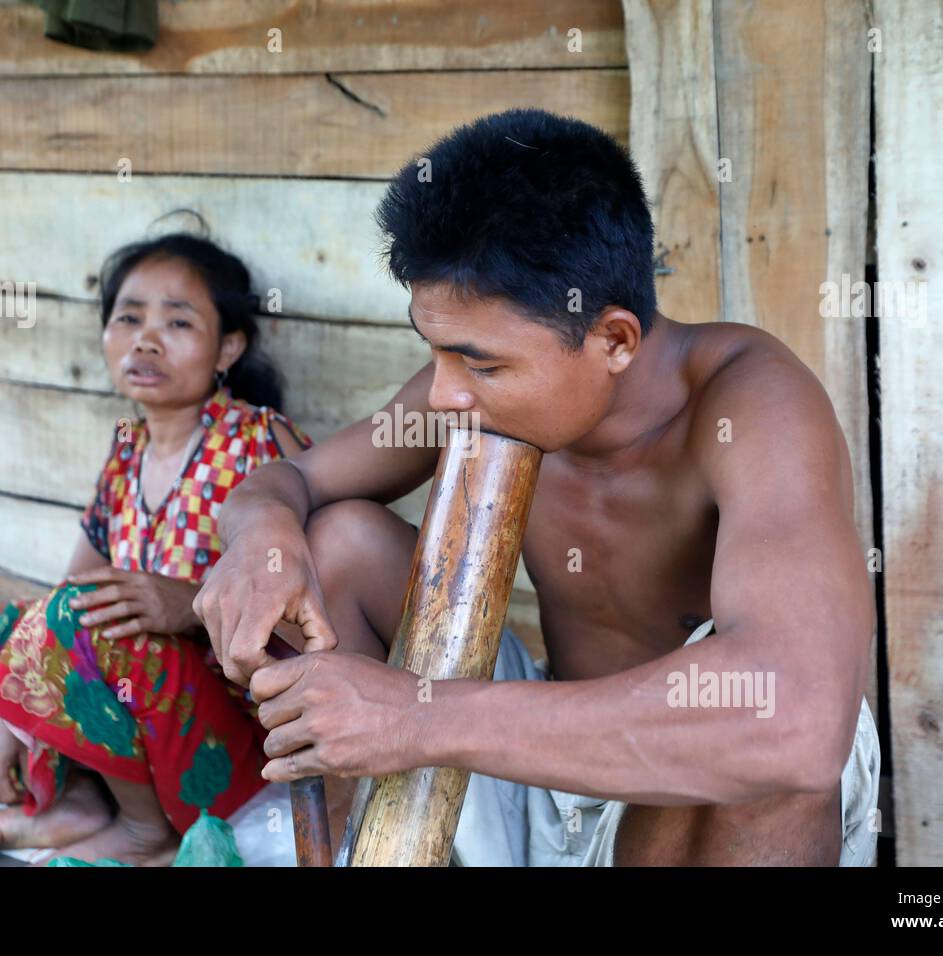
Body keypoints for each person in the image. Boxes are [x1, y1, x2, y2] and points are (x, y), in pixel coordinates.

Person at [192, 108, 881, 866]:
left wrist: (419, 721)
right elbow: (287, 481)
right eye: (436, 351)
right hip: (531, 763)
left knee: (762, 725)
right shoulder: (470, 387)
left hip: (681, 799)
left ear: (613, 339)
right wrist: (261, 540)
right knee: (340, 541)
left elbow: (798, 721)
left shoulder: (752, 404)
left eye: (481, 364)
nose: (445, 395)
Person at [0, 231, 311, 865]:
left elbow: (319, 607)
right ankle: (86, 805)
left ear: (228, 346)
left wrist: (191, 606)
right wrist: (5, 705)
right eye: (128, 317)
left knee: (95, 627)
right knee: (12, 622)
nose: (146, 338)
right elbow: (63, 602)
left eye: (178, 321)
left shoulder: (262, 440)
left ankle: (145, 834)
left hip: (243, 744)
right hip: (152, 727)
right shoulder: (127, 452)